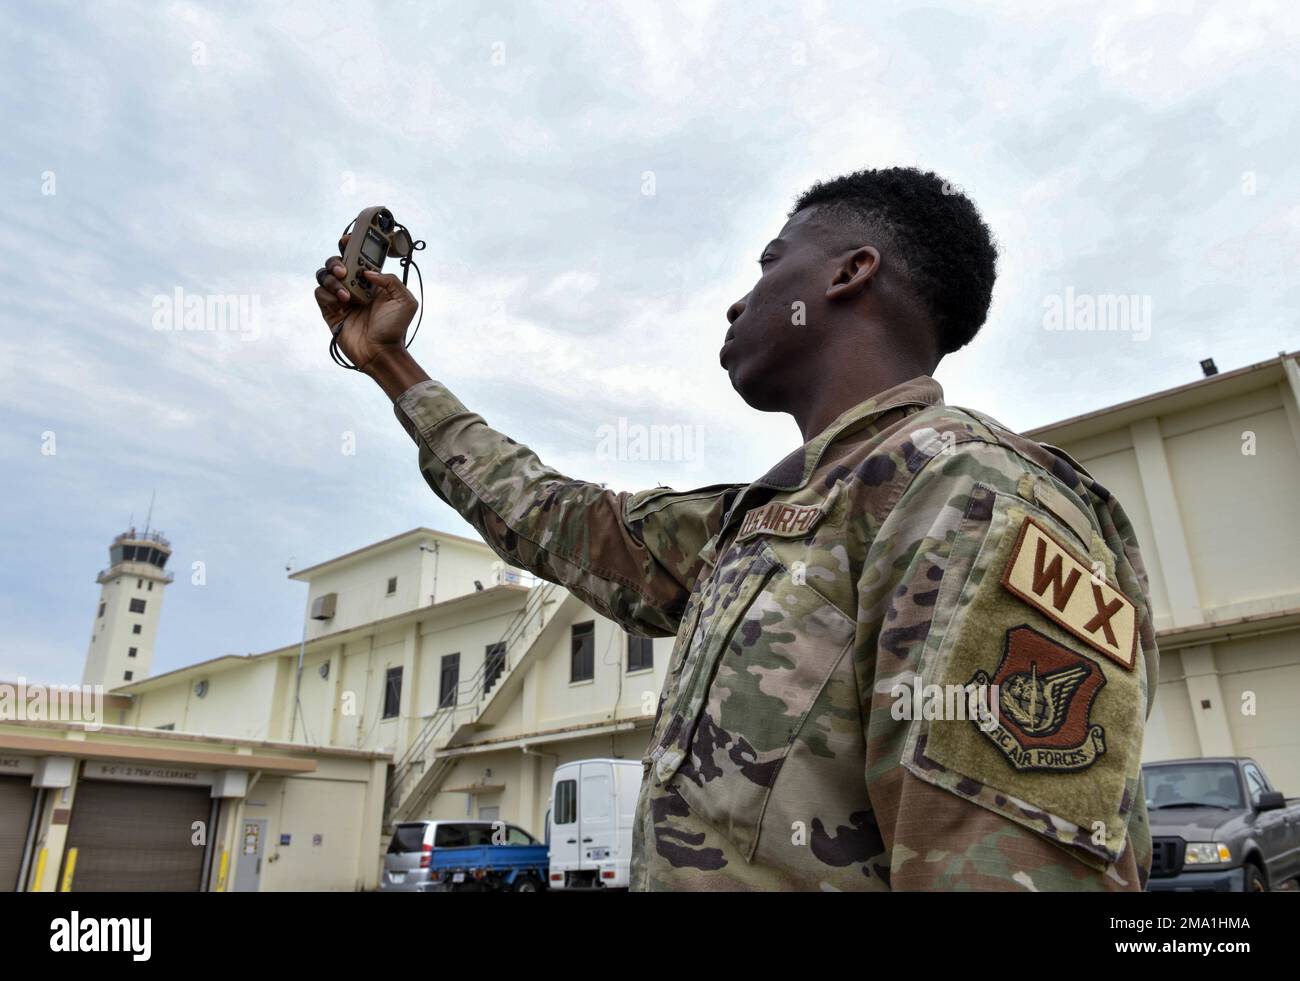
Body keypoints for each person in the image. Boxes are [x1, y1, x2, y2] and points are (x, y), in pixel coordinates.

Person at [313, 167, 1158, 891]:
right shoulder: (761, 521)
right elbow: (549, 515)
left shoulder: (966, 493)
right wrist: (389, 360)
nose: (738, 300)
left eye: (768, 265)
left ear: (850, 273)